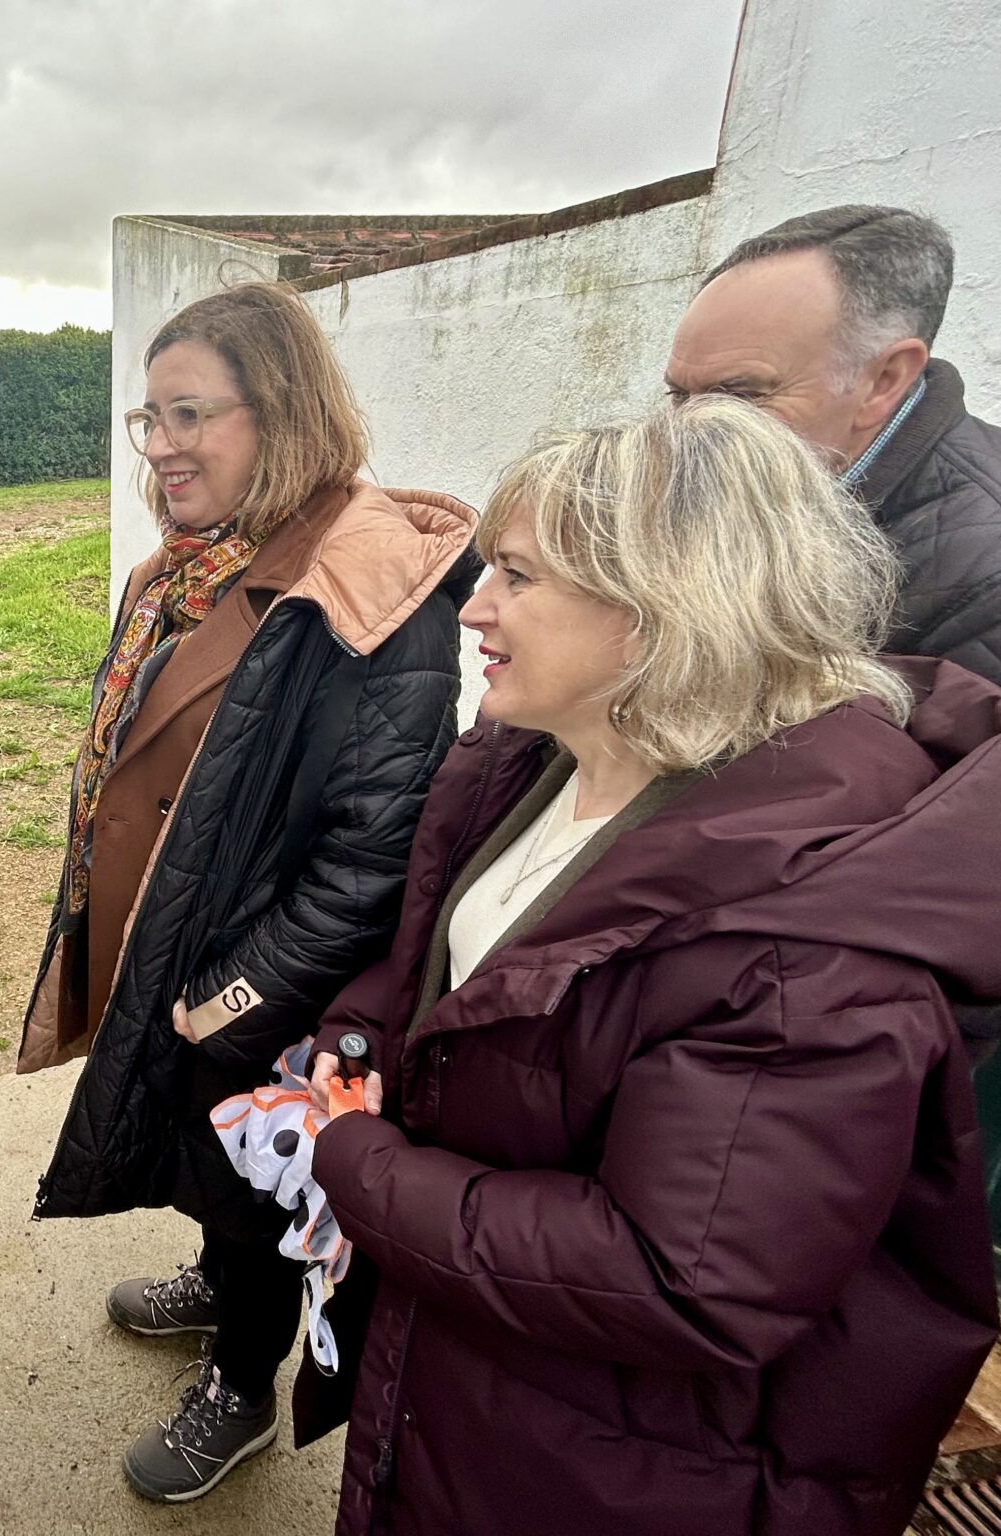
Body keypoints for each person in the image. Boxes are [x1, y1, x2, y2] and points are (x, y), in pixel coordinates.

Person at [304, 396, 1001, 1536]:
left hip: (627, 1469)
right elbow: (454, 975)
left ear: (666, 604)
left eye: (515, 577)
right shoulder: (538, 760)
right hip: (474, 1382)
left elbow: (685, 1278)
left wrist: (359, 1164)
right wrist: (353, 1038)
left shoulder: (800, 936)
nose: (472, 607)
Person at [15, 281, 477, 1503]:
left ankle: (242, 1383)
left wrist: (234, 992)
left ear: (279, 413)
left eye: (187, 414)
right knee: (206, 1166)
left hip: (264, 982)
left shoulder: (370, 590)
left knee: (262, 1181)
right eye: (145, 419)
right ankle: (222, 1283)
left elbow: (371, 855)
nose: (158, 446)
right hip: (183, 944)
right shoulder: (194, 567)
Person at [667, 206, 1001, 685]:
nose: (684, 434)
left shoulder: (984, 589)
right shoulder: (749, 484)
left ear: (884, 380)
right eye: (678, 395)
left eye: (740, 397)